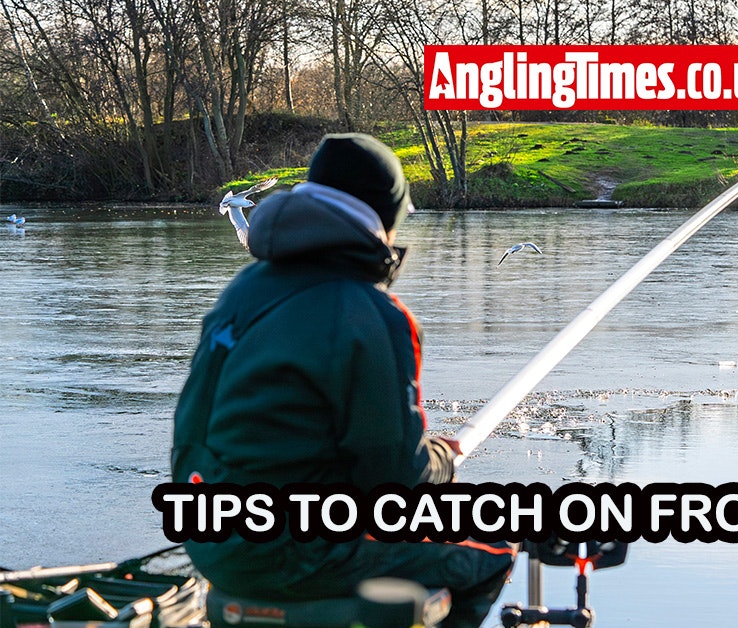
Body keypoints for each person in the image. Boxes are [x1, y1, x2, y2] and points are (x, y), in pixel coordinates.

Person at [171, 133, 515, 627]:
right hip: (291, 554)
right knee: (491, 548)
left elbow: (195, 434)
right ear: (384, 219)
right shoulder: (370, 315)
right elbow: (396, 480)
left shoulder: (242, 292)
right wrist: (440, 458)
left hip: (207, 540)